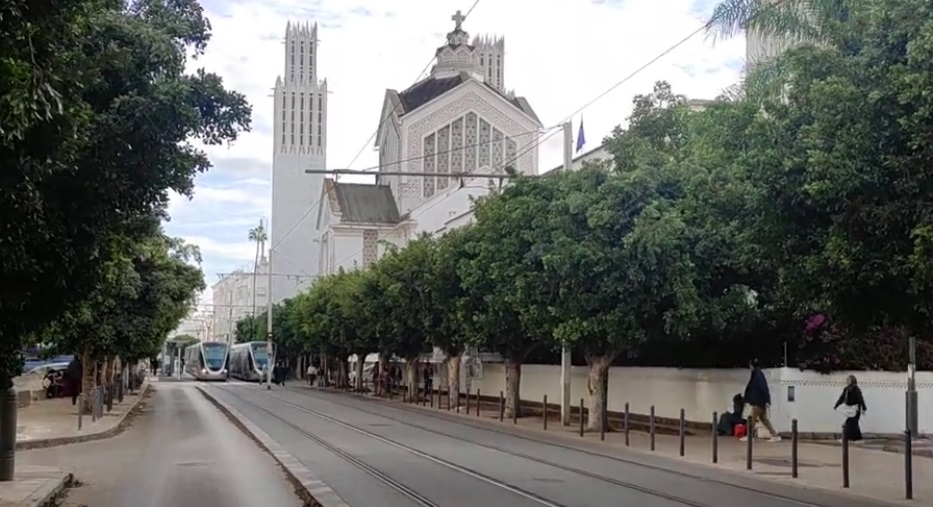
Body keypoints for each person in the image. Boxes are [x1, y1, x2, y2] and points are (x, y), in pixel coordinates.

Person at [742, 359, 782, 442]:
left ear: (752, 365)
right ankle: (775, 435)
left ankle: (749, 436)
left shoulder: (757, 375)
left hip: (758, 401)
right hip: (760, 401)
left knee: (752, 419)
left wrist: (765, 399)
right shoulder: (757, 374)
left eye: (750, 365)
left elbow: (761, 388)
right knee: (764, 419)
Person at [834, 374, 867, 442]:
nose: (847, 381)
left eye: (849, 380)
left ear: (853, 380)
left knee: (849, 424)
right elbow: (842, 398)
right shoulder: (846, 389)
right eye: (847, 380)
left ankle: (846, 439)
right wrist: (836, 405)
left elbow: (860, 399)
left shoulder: (856, 390)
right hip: (849, 409)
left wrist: (863, 408)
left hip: (856, 409)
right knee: (854, 424)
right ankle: (857, 438)